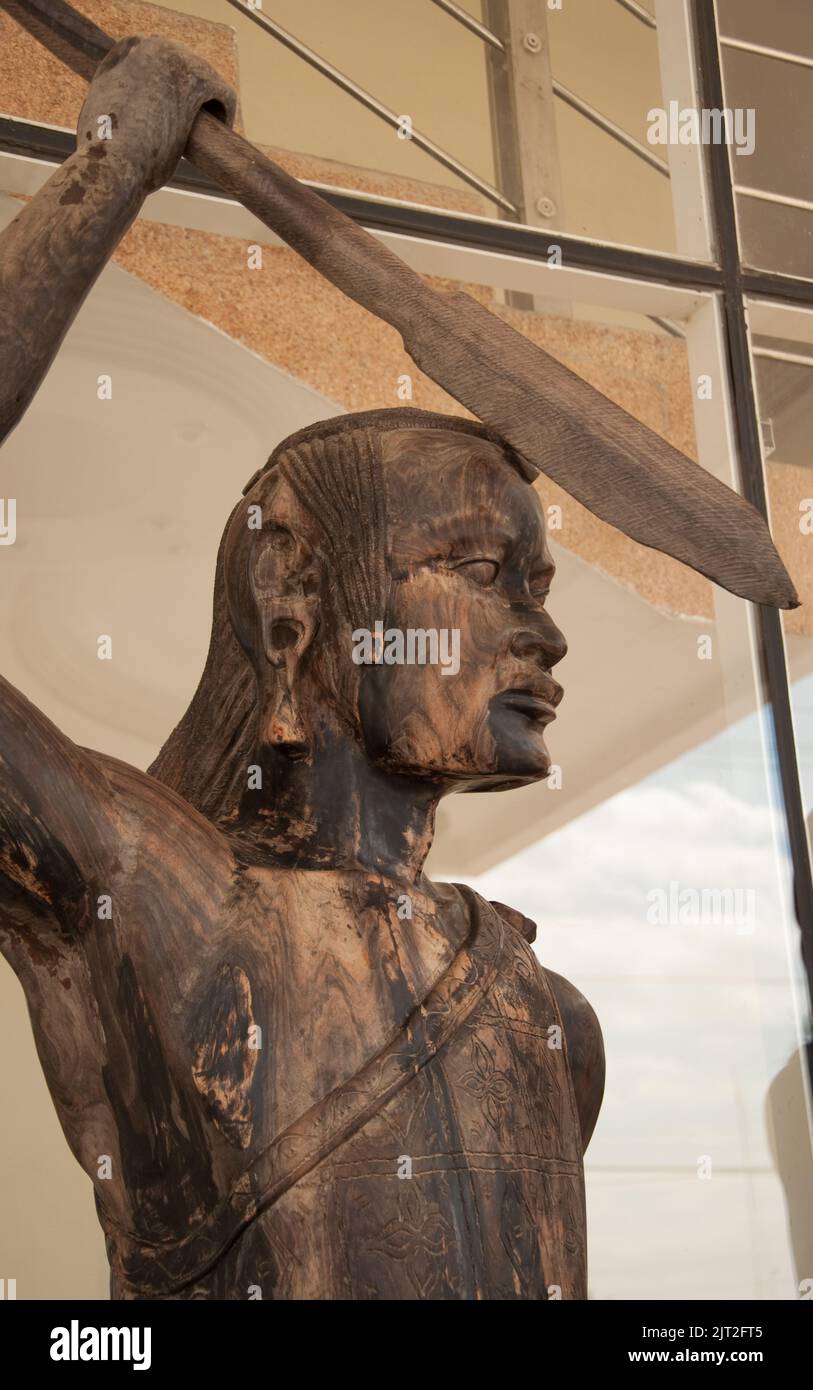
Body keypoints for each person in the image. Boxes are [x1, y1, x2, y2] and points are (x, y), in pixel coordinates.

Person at [0, 35, 603, 1300]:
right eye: (483, 569)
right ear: (295, 600)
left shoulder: (553, 1020)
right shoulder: (160, 908)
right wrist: (106, 171)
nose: (543, 636)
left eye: (540, 589)